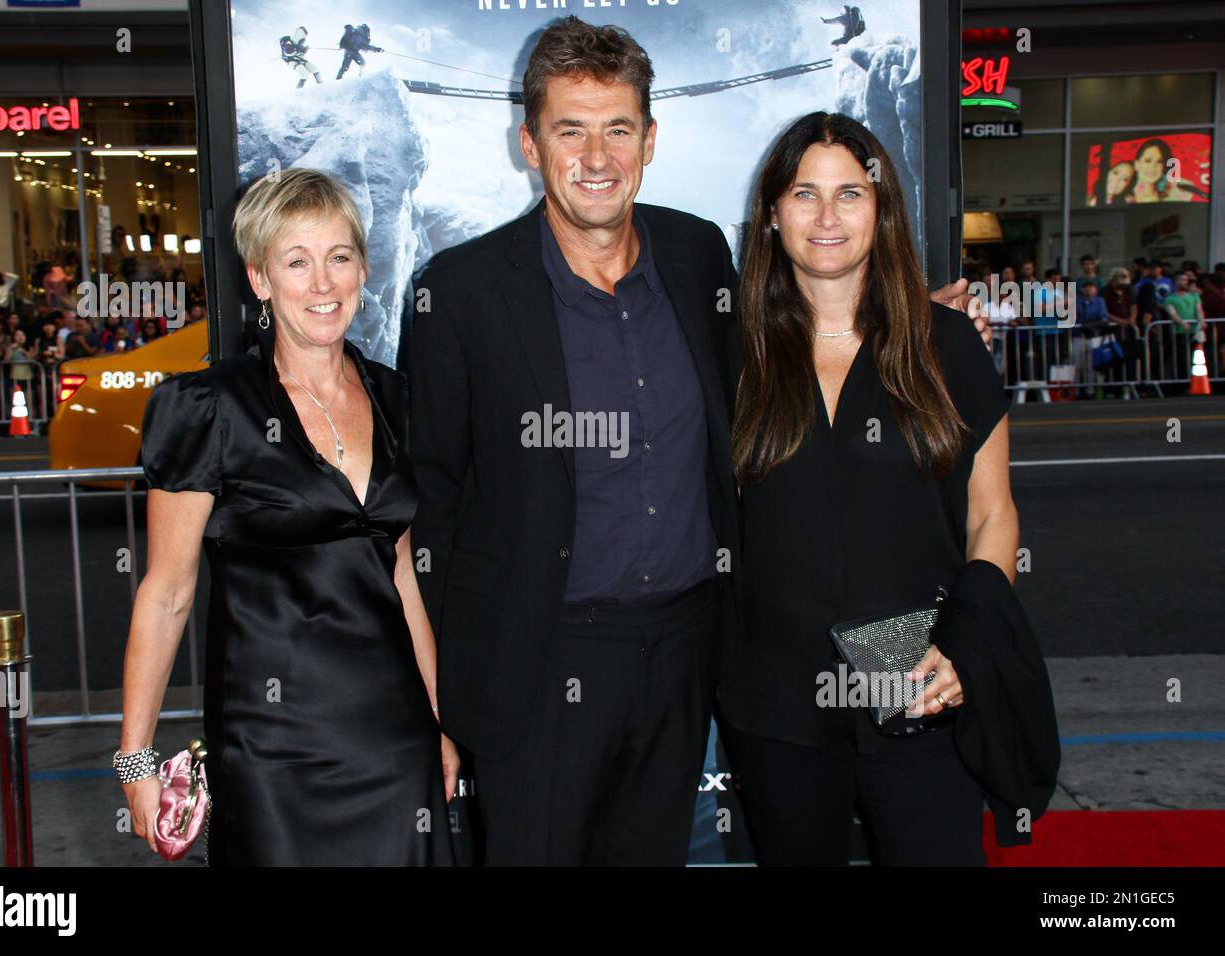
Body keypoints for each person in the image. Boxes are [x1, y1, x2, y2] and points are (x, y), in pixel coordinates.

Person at [409, 16, 987, 867]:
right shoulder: (459, 293)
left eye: (618, 129)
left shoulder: (696, 255)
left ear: (650, 141)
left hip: (684, 656)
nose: (597, 156)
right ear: (529, 144)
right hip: (536, 663)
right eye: (571, 130)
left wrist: (919, 321)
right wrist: (436, 704)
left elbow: (796, 331)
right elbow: (432, 511)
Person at [718, 111, 1056, 866]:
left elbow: (993, 514)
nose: (828, 216)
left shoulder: (947, 346)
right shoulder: (730, 350)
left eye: (851, 193)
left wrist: (966, 645)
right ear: (772, 215)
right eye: (804, 194)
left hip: (922, 684)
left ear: (883, 210)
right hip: (775, 701)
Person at [119, 167, 456, 866]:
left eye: (338, 258)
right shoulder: (211, 409)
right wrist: (135, 759)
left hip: (394, 742)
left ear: (364, 268)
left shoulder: (397, 399)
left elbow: (402, 578)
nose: (323, 284)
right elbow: (167, 592)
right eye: (296, 262)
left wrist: (438, 723)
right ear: (260, 280)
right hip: (271, 750)